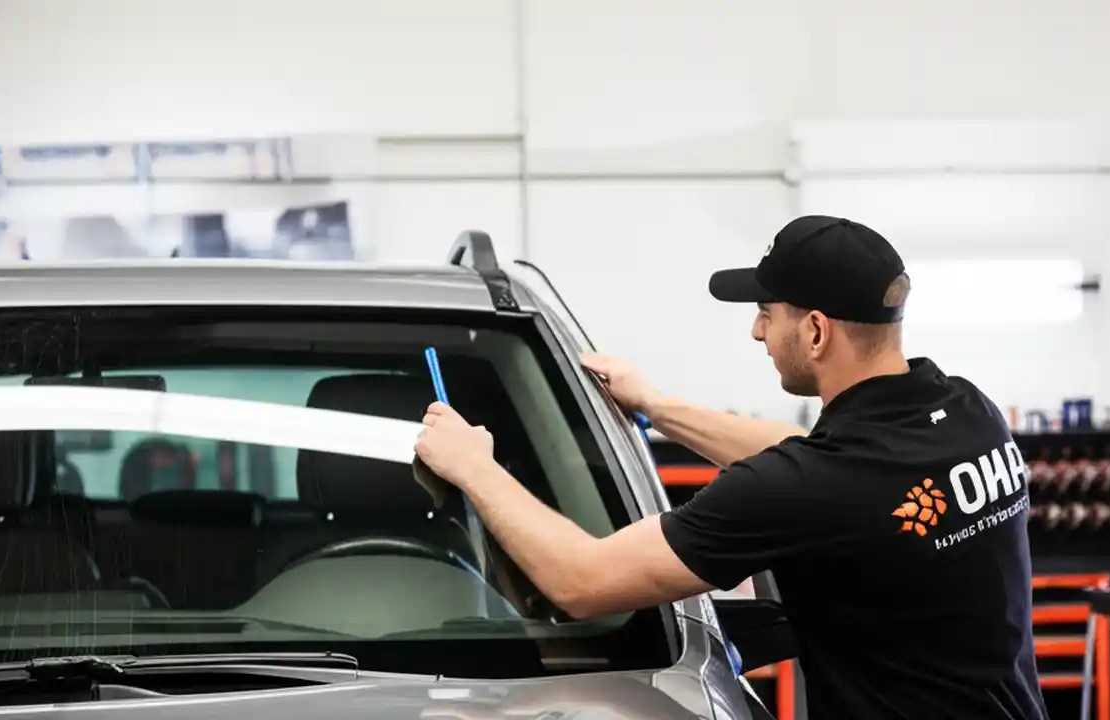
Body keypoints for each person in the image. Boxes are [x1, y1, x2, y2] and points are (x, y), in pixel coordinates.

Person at [415, 215, 1048, 720]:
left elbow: (582, 582)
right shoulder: (967, 412)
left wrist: (476, 468)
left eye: (767, 315)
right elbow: (802, 454)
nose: (755, 332)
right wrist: (658, 406)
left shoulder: (811, 485)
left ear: (817, 332)